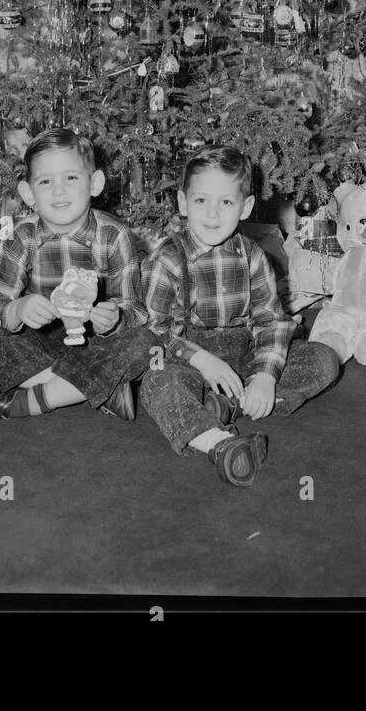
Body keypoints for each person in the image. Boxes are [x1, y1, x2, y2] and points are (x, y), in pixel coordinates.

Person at [140, 145, 340, 486]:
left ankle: (229, 404)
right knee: (159, 383)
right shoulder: (169, 259)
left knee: (324, 360)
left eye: (226, 202)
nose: (213, 214)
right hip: (188, 360)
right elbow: (156, 333)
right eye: (201, 201)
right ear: (183, 202)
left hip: (243, 353)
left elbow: (271, 322)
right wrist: (201, 360)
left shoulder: (253, 256)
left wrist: (265, 375)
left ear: (245, 207)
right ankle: (218, 443)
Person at [0, 128, 156, 421]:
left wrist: (115, 319)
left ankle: (23, 402)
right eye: (46, 181)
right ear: (29, 193)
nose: (59, 190)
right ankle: (95, 388)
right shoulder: (22, 236)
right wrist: (17, 310)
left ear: (94, 183)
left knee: (146, 343)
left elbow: (135, 309)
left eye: (71, 178)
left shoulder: (115, 236)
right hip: (38, 342)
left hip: (95, 344)